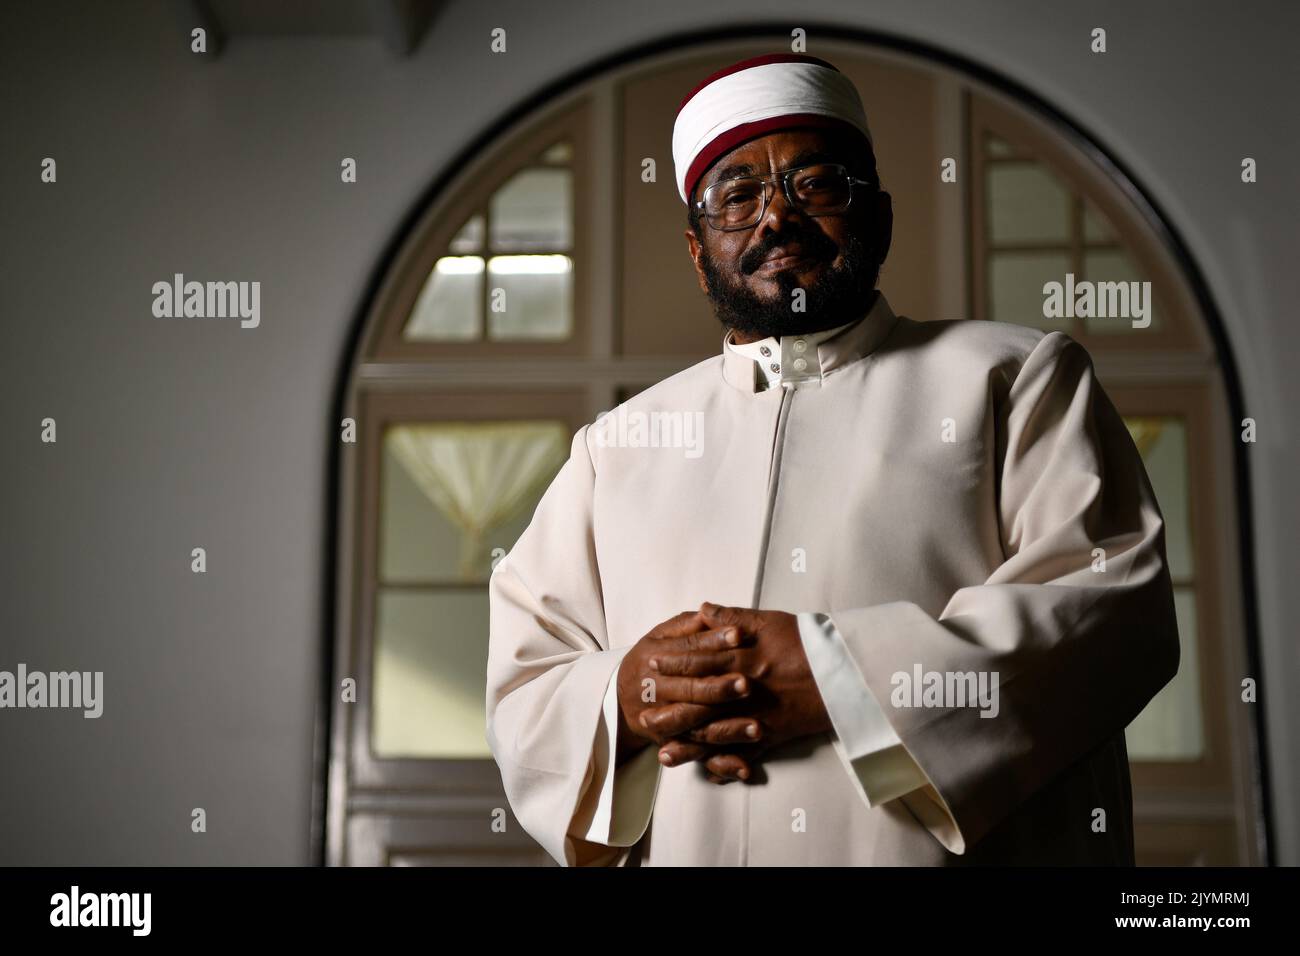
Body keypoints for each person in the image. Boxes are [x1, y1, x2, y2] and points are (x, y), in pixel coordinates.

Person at [485, 53, 1180, 865]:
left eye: (815, 184)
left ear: (878, 215)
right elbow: (528, 683)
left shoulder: (1014, 377)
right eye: (737, 197)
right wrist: (628, 700)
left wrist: (838, 676)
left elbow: (1108, 612)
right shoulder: (617, 446)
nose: (774, 220)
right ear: (698, 246)